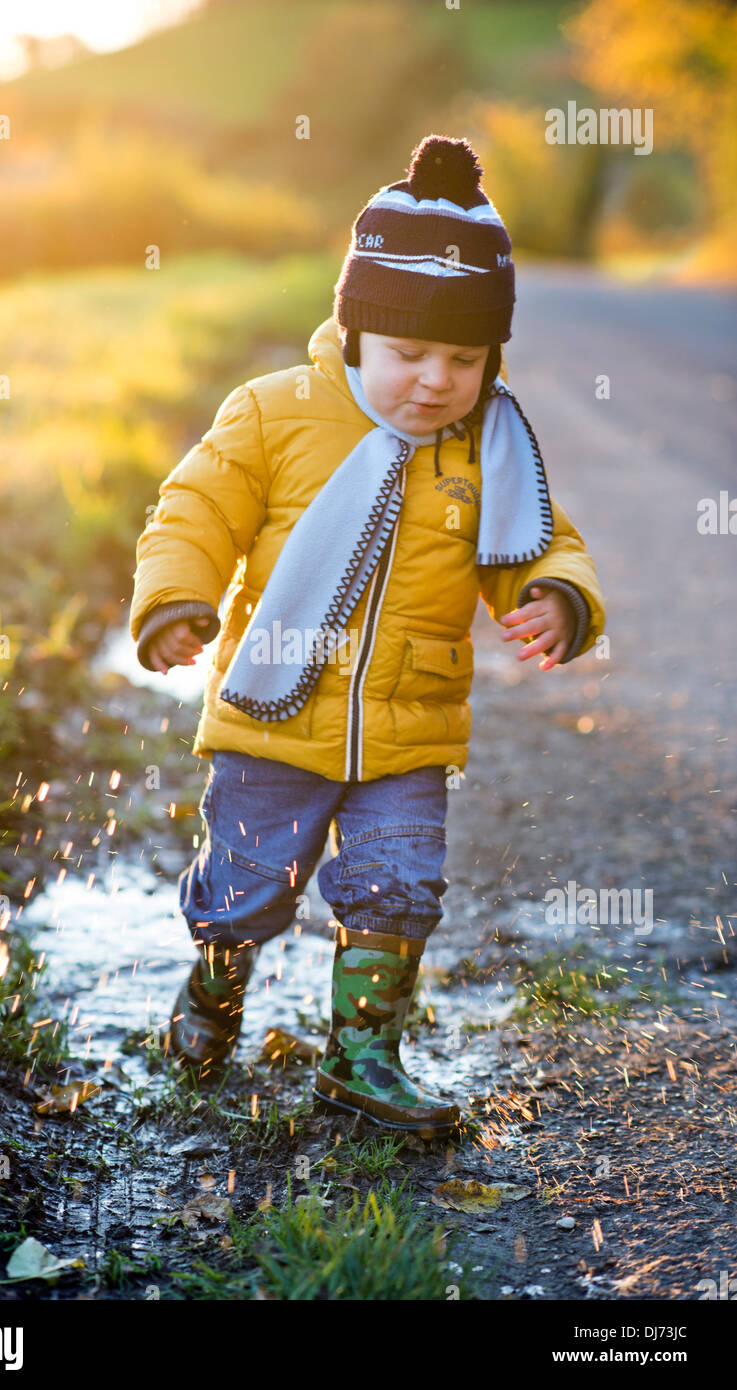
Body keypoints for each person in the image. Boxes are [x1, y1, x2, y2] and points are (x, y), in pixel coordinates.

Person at [129, 135, 606, 1138]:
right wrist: (176, 600)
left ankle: (361, 1054)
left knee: (398, 889)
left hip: (410, 726)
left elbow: (534, 540)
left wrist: (558, 593)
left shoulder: (488, 446)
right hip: (273, 719)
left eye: (463, 358)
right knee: (245, 887)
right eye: (408, 353)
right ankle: (215, 992)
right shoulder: (272, 415)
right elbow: (192, 511)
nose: (434, 380)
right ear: (352, 333)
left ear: (491, 358)